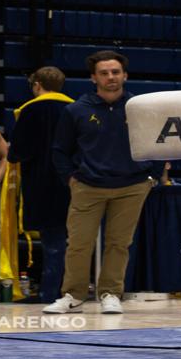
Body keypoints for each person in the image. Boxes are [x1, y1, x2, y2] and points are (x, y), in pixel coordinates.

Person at [43, 50, 159, 315]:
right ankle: (72, 295)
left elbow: (157, 142)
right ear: (93, 78)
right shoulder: (76, 110)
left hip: (132, 186)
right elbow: (60, 150)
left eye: (116, 72)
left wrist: (149, 176)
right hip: (87, 185)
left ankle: (111, 293)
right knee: (79, 244)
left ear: (125, 75)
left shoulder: (140, 108)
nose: (111, 77)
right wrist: (70, 179)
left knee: (119, 244)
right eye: (104, 73)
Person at [8, 67, 75, 303]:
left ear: (36, 85)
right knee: (69, 239)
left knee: (52, 241)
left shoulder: (29, 110)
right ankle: (63, 289)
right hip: (72, 182)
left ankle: (50, 291)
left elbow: (17, 152)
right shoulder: (75, 108)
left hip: (40, 182)